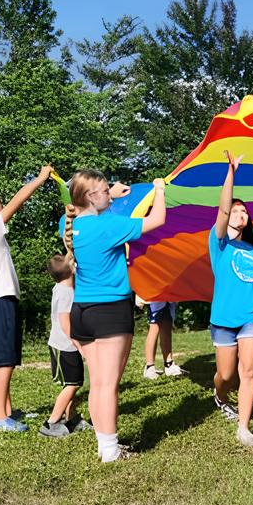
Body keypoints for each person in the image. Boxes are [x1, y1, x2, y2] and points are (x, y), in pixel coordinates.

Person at [62, 170, 167, 463]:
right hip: (109, 312)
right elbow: (157, 220)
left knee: (98, 382)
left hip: (82, 312)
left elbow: (80, 213)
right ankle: (110, 450)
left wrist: (113, 198)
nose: (111, 192)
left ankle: (104, 444)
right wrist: (159, 190)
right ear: (91, 197)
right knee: (108, 385)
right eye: (106, 190)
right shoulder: (107, 227)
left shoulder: (71, 226)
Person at [0, 165, 53, 432]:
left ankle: (6, 411)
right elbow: (19, 200)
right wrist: (41, 178)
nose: (2, 211)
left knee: (4, 356)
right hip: (1, 300)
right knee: (5, 359)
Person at [208, 151, 253, 447]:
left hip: (252, 316)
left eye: (245, 211)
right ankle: (219, 393)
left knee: (248, 371)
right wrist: (231, 172)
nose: (241, 214)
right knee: (226, 374)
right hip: (223, 318)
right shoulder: (218, 242)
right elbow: (222, 209)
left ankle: (244, 427)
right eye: (237, 210)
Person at [41, 254, 90, 437]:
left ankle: (71, 419)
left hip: (66, 345)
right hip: (65, 346)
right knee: (72, 384)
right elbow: (65, 323)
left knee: (74, 383)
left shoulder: (63, 287)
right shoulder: (65, 292)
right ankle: (51, 423)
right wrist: (80, 346)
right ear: (70, 270)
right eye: (72, 262)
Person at [142, 301, 183, 380]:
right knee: (155, 325)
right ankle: (149, 367)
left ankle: (169, 363)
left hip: (169, 293)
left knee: (167, 323)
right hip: (156, 294)